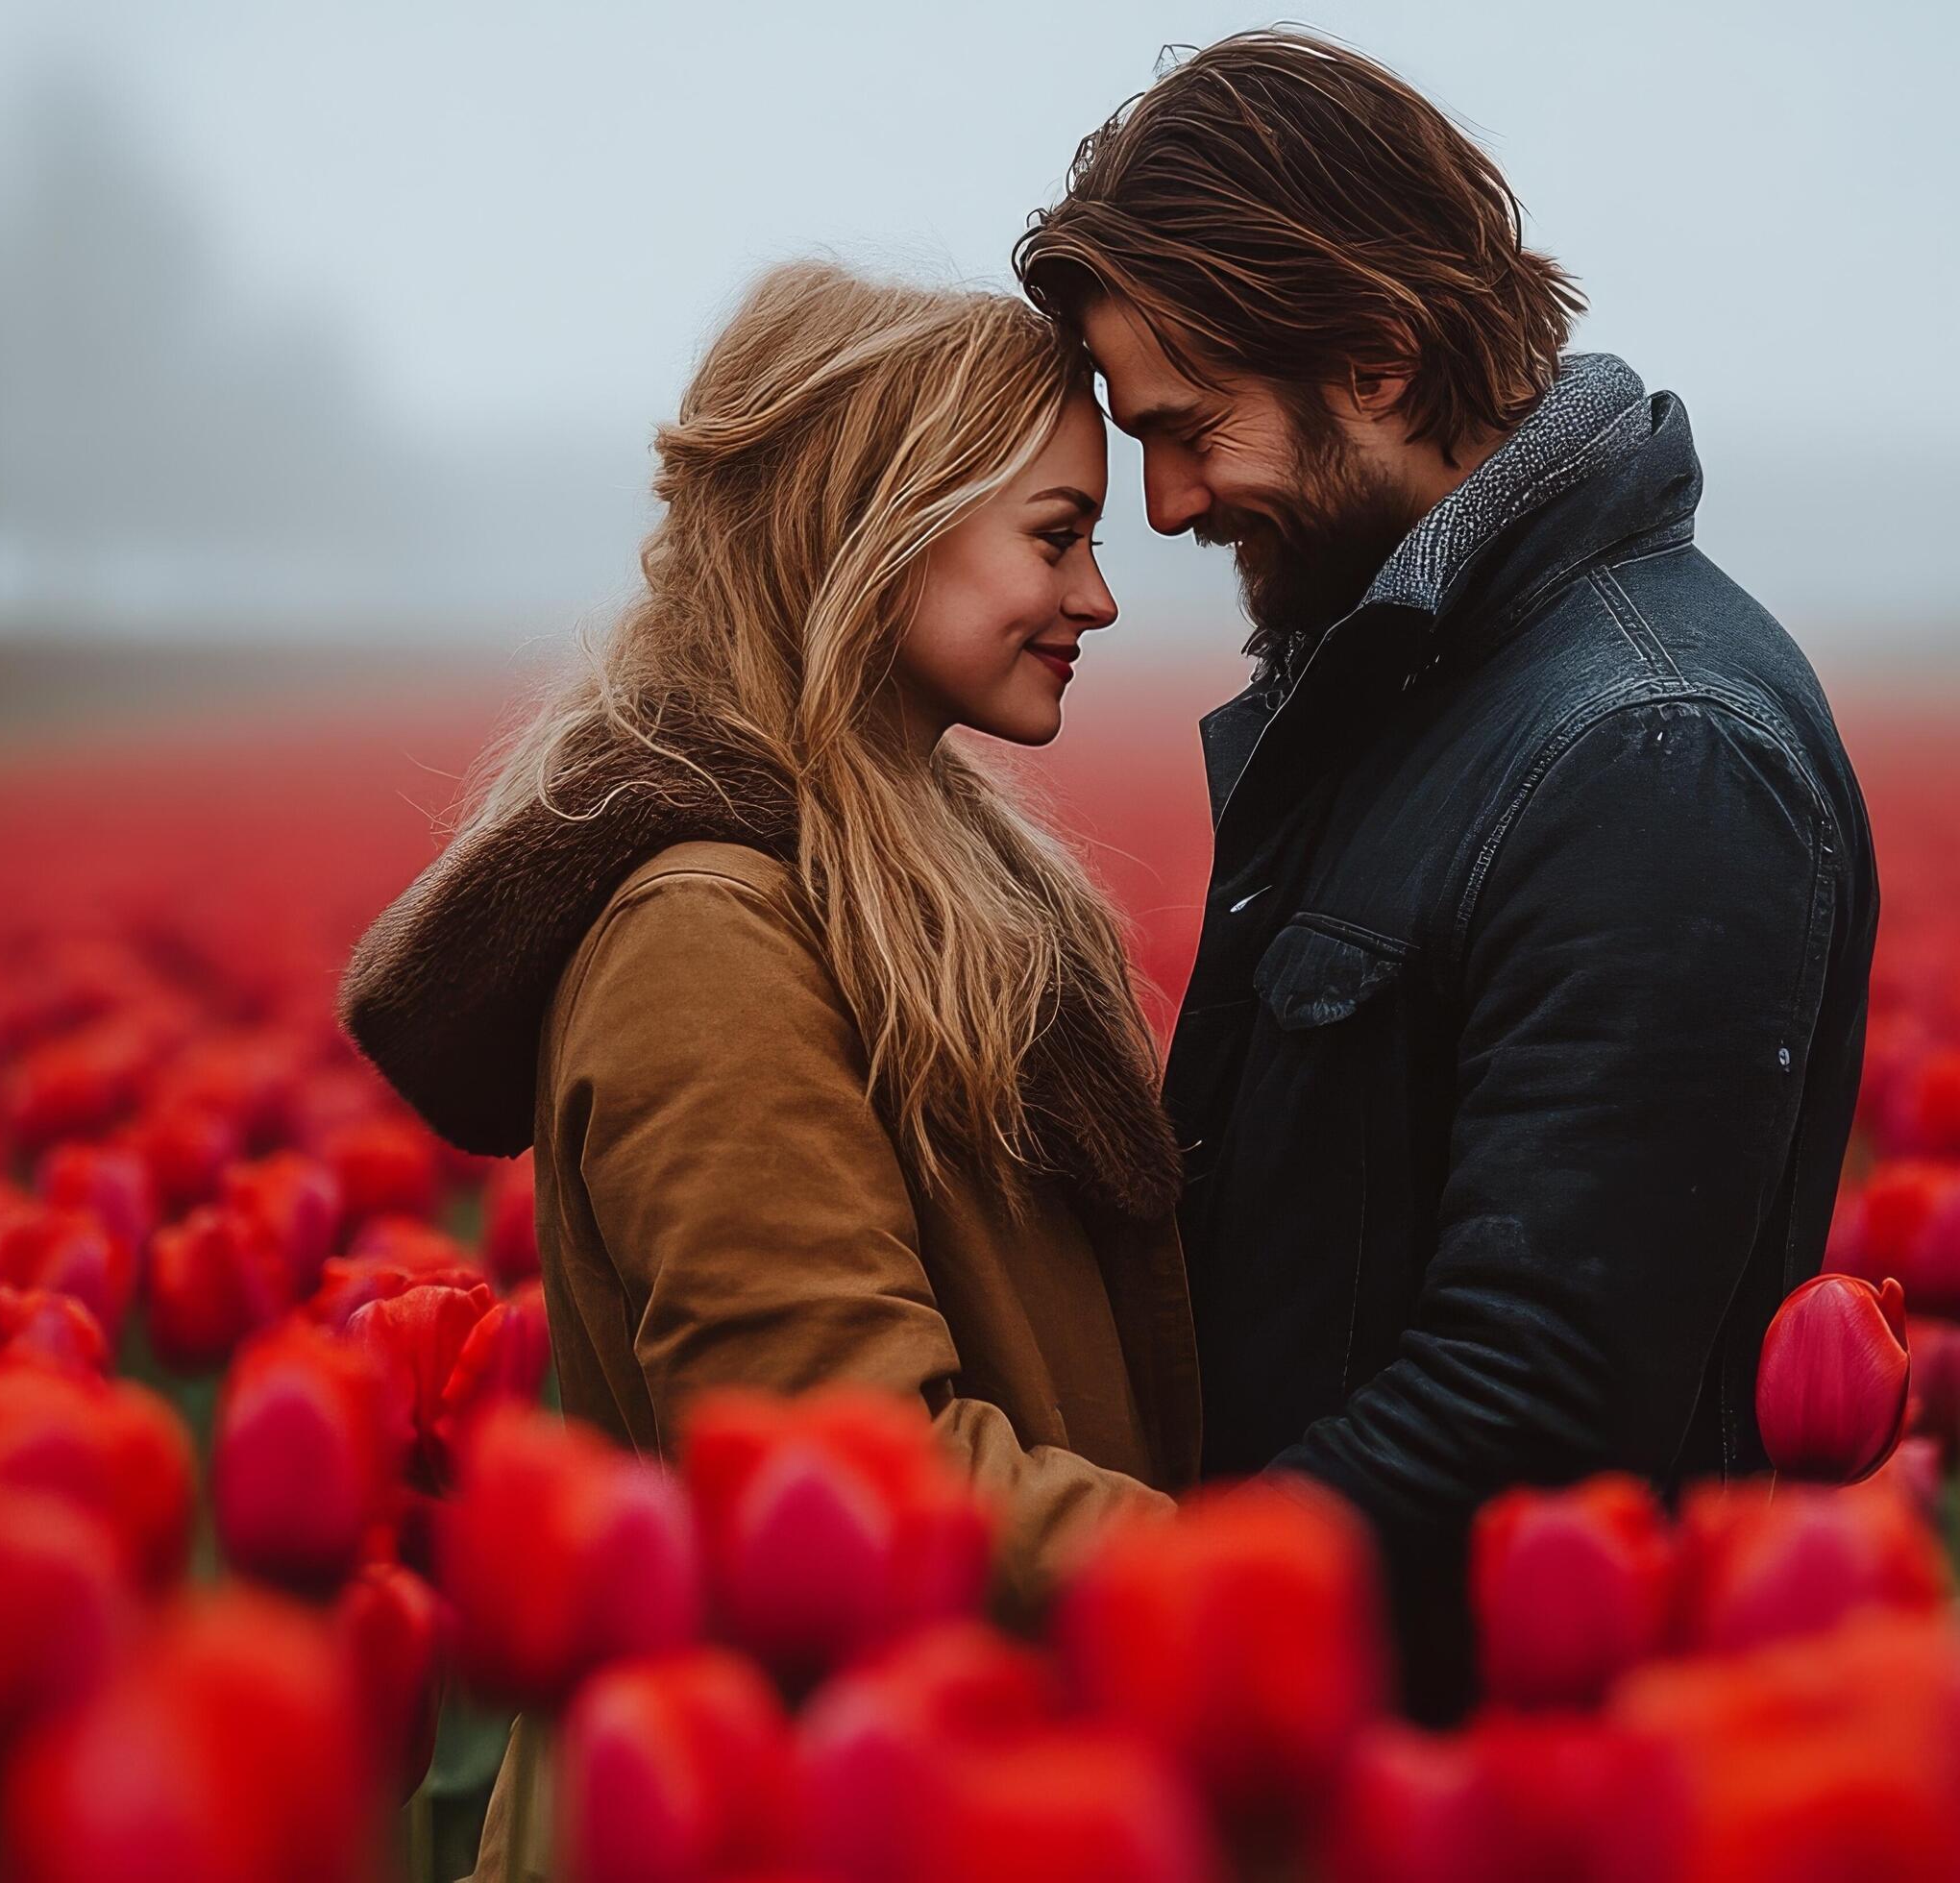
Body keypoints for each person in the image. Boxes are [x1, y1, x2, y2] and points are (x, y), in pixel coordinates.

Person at [1017, 29, 1881, 1722]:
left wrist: (1162, 1618)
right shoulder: (1418, 684)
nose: (1168, 505)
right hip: (1340, 1713)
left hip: (1486, 1754)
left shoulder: (1648, 749)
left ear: (1381, 362)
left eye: (1190, 429)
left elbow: (1538, 1390)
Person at [334, 263, 1199, 1874]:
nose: (1097, 597)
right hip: (768, 1809)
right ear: (877, 523)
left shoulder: (936, 892)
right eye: (1055, 535)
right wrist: (1263, 1584)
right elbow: (844, 1465)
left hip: (937, 1773)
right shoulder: (707, 940)